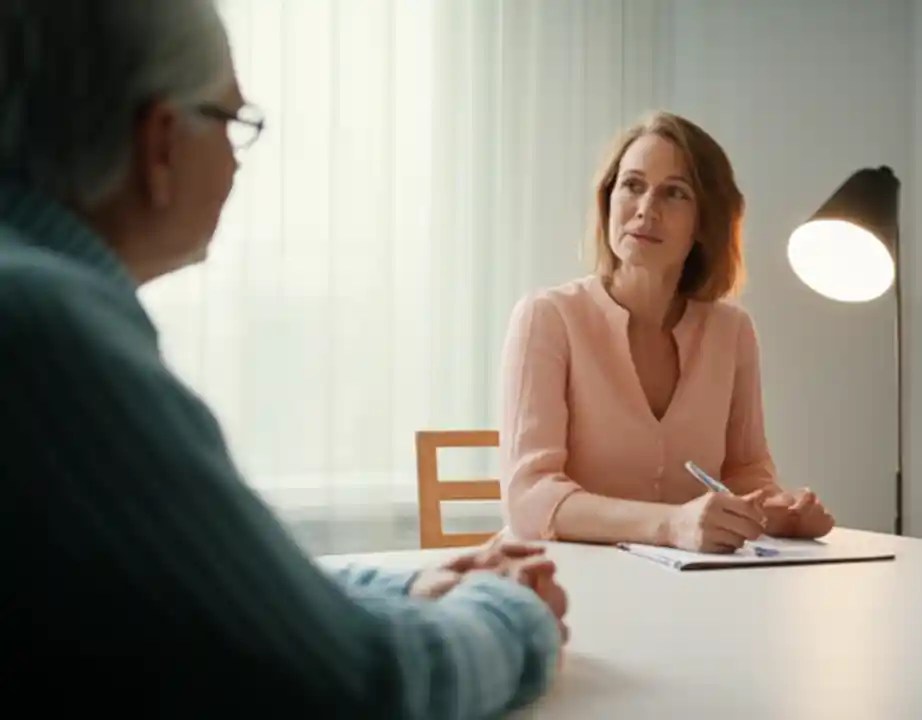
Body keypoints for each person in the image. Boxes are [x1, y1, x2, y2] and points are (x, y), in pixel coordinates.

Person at [1, 1, 567, 715]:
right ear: (162, 142)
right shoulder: (49, 335)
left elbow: (204, 583)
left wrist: (409, 585)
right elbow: (367, 684)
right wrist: (510, 610)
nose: (237, 162)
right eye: (232, 122)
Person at [499, 111, 835, 554]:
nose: (645, 210)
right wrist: (670, 524)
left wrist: (778, 512)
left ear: (704, 224)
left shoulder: (732, 331)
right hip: (560, 581)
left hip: (686, 583)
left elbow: (745, 472)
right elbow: (528, 498)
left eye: (674, 193)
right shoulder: (547, 317)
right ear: (608, 199)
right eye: (632, 185)